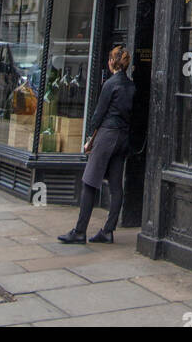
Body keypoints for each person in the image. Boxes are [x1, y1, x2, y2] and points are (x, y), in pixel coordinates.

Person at [58, 45, 135, 244]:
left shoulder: (110, 84)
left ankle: (80, 231)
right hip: (123, 137)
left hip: (107, 135)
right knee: (116, 186)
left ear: (112, 62)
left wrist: (89, 139)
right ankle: (108, 230)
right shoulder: (131, 86)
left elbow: (98, 114)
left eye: (110, 59)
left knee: (90, 182)